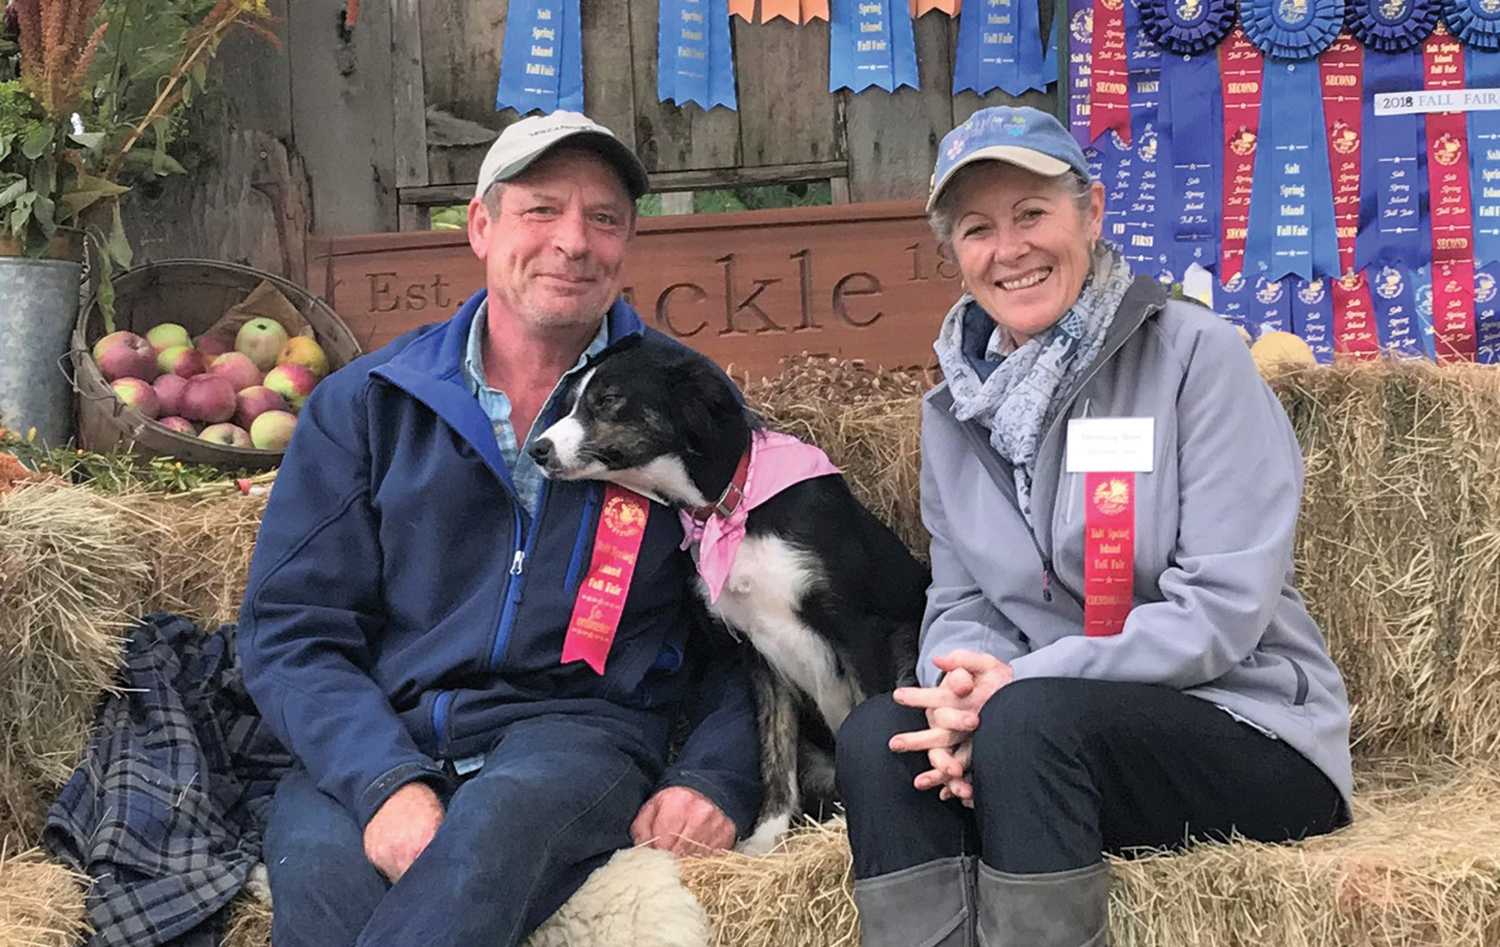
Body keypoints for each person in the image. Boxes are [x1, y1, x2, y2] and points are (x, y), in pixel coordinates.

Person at [238, 111, 761, 947]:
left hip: (576, 735)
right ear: (480, 226)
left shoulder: (689, 402)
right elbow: (290, 630)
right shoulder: (367, 404)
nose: (574, 241)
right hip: (386, 728)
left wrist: (720, 773)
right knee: (325, 885)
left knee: (489, 838)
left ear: (627, 243)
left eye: (603, 219)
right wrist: (383, 781)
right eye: (541, 210)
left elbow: (752, 622)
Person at [834, 106, 1352, 947]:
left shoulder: (1196, 356)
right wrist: (958, 692)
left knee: (1030, 723)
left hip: (1242, 724)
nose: (1010, 248)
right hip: (1031, 732)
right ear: (954, 256)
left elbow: (1220, 608)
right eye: (977, 229)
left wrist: (1020, 685)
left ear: (1092, 213)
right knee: (879, 740)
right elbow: (962, 603)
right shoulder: (950, 413)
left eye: (1032, 213)